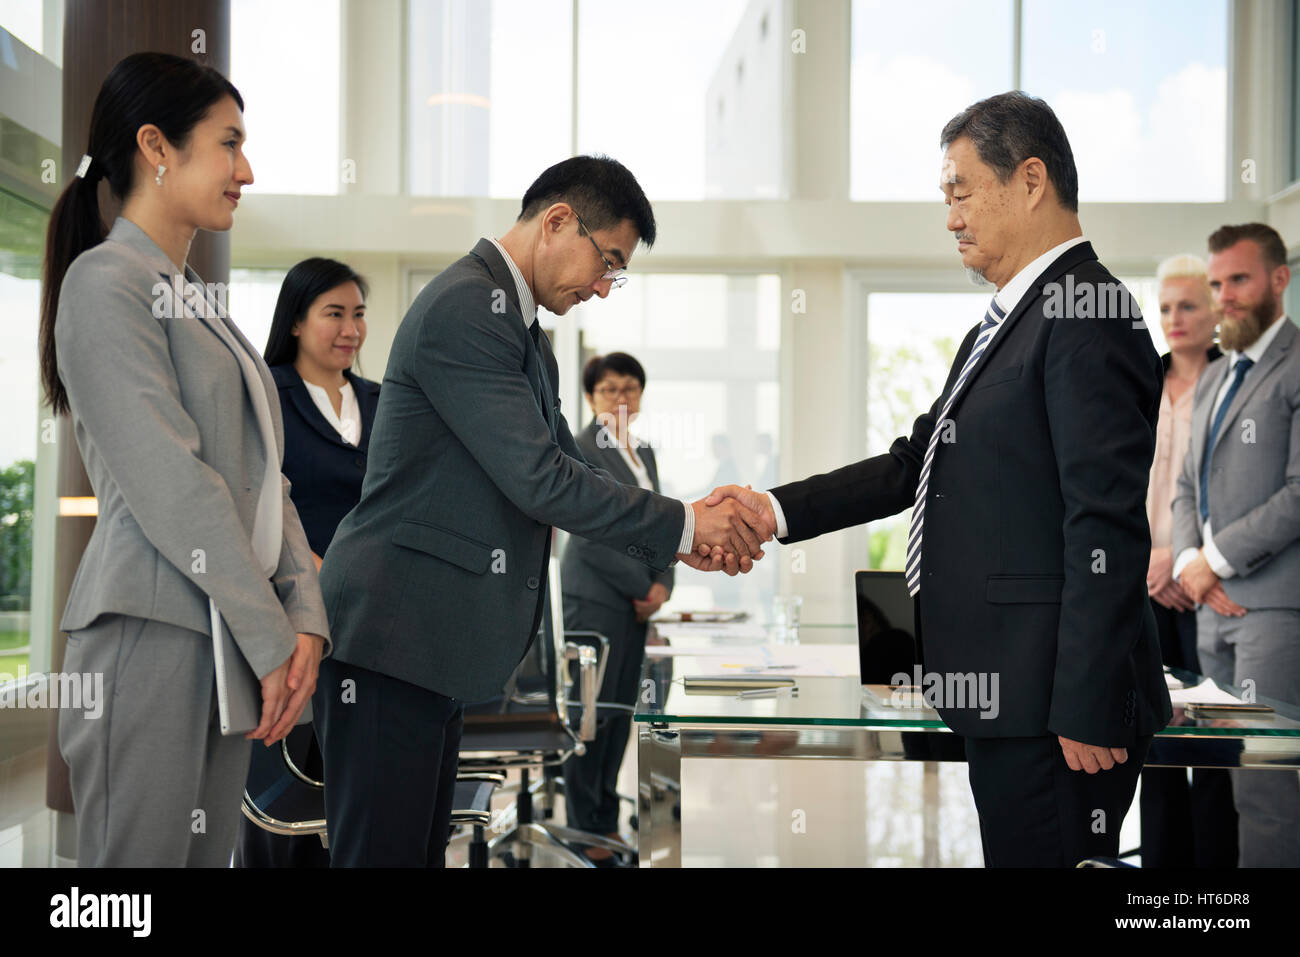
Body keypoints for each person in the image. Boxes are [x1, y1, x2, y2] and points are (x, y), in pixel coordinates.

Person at [709, 91, 1171, 867]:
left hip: (1058, 714)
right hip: (1009, 701)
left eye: (961, 191)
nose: (951, 216)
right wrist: (771, 508)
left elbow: (1106, 525)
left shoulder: (1088, 313)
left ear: (1030, 180)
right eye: (945, 197)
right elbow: (910, 464)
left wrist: (1088, 706)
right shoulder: (1003, 325)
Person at [314, 155, 773, 867]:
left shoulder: (524, 333)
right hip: (392, 635)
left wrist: (683, 530)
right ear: (559, 220)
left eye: (615, 274)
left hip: (431, 643)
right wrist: (686, 525)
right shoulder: (470, 307)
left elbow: (577, 464)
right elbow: (542, 479)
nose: (602, 286)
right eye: (607, 262)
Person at [41, 52, 329, 867]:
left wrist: (305, 611)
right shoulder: (106, 283)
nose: (246, 169)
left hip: (218, 636)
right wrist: (274, 634)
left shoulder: (193, 299)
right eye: (228, 143)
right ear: (157, 147)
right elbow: (175, 481)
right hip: (149, 630)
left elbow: (262, 477)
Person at [235, 257, 379, 868]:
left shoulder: (383, 401)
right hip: (290, 614)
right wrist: (312, 570)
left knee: (353, 797)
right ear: (296, 321)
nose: (350, 329)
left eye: (359, 315)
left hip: (372, 621)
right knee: (283, 800)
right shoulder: (267, 393)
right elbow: (256, 499)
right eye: (334, 314)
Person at [1172, 222, 1300, 867]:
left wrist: (1210, 564)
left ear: (1280, 279)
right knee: (1221, 786)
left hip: (1274, 616)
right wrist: (1191, 563)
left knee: (1267, 791)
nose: (1226, 295)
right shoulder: (1219, 377)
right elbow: (1185, 485)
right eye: (1218, 283)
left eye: (1239, 280)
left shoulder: (1297, 365)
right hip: (1210, 616)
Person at [1138, 254, 1236, 868]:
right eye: (1167, 306)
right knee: (1154, 736)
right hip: (1141, 581)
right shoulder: (1139, 381)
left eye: (1189, 305)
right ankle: (1160, 879)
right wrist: (1148, 560)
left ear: (1216, 311)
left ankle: (1214, 891)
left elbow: (1239, 488)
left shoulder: (1237, 382)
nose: (1175, 318)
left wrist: (1183, 557)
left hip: (1206, 582)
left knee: (1215, 740)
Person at [559, 352, 672, 864]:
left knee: (622, 713)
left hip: (637, 605)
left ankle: (605, 817)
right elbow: (588, 532)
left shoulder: (643, 453)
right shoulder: (580, 448)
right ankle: (586, 830)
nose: (621, 399)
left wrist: (663, 585)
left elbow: (663, 521)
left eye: (630, 388)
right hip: (596, 599)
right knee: (593, 718)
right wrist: (640, 588)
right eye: (609, 390)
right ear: (590, 398)